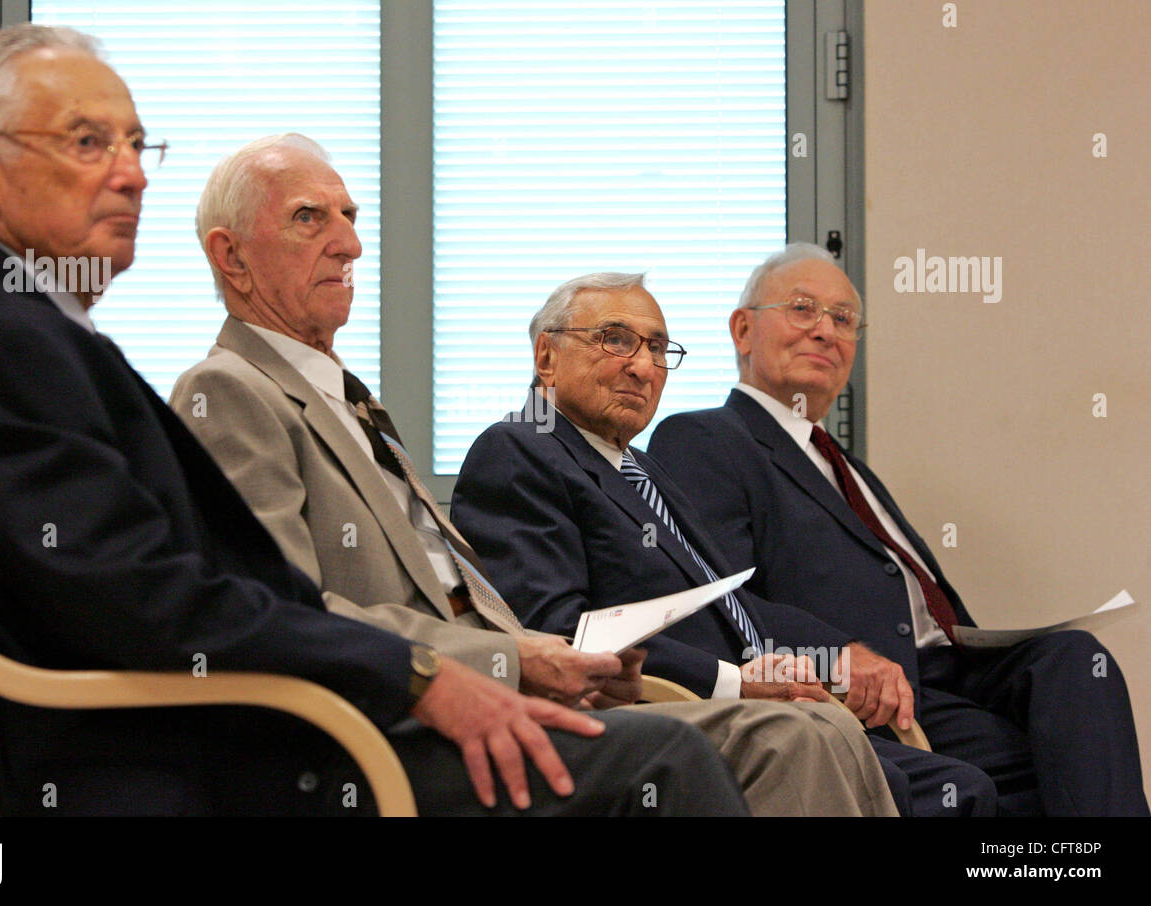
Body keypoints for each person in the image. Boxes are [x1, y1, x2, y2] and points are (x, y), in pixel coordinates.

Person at [0, 23, 744, 817]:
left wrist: (493, 666)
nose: (130, 172)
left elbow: (206, 589)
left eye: (135, 144)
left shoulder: (38, 333)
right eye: (87, 143)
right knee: (661, 761)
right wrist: (420, 677)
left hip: (265, 732)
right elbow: (154, 608)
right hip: (210, 763)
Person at [171, 134, 898, 816]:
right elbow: (282, 609)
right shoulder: (229, 390)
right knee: (781, 738)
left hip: (503, 684)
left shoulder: (354, 402)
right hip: (391, 724)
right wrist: (512, 656)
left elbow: (459, 591)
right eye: (309, 218)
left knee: (823, 730)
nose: (351, 243)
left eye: (351, 217)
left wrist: (549, 658)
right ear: (230, 256)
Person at [452, 271, 1001, 816]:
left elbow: (731, 604)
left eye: (659, 349)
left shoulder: (644, 471)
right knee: (942, 794)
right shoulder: (519, 450)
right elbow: (561, 630)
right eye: (616, 340)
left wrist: (834, 660)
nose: (643, 367)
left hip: (766, 711)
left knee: (965, 787)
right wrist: (737, 682)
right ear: (546, 357)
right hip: (672, 725)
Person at [648, 242, 1150, 816]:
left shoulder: (849, 471)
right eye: (803, 309)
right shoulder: (706, 438)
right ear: (742, 330)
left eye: (843, 319)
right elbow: (719, 597)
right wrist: (836, 654)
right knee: (1058, 772)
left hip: (954, 670)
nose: (825, 331)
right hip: (870, 691)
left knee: (1077, 661)